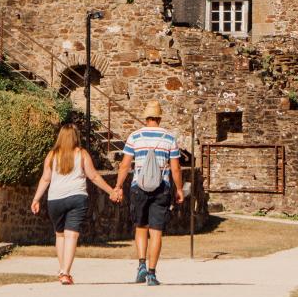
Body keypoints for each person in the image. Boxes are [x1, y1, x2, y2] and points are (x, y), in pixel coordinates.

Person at [28, 122, 118, 285]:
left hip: (55, 199)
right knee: (72, 235)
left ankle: (63, 270)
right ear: (76, 137)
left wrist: (36, 199)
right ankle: (65, 272)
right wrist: (111, 191)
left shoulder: (52, 155)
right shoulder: (82, 154)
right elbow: (94, 176)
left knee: (60, 235)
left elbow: (45, 178)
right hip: (77, 197)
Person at [113, 100, 184, 286]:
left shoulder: (135, 136)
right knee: (156, 232)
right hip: (162, 188)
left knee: (141, 227)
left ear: (146, 117)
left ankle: (142, 264)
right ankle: (152, 274)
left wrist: (118, 186)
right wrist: (179, 189)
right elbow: (176, 169)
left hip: (139, 187)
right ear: (160, 117)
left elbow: (125, 165)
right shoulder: (169, 138)